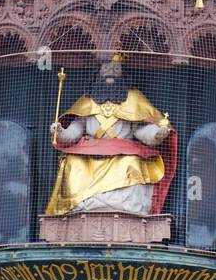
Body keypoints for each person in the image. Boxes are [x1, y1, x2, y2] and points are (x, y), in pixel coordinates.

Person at [45, 54, 176, 217]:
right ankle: (81, 207)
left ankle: (126, 210)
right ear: (98, 71)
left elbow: (141, 129)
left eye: (116, 68)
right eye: (106, 67)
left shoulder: (134, 99)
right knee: (73, 162)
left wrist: (157, 135)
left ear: (124, 73)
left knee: (131, 163)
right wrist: (61, 132)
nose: (110, 72)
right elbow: (76, 129)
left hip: (124, 151)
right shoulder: (87, 101)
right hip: (89, 151)